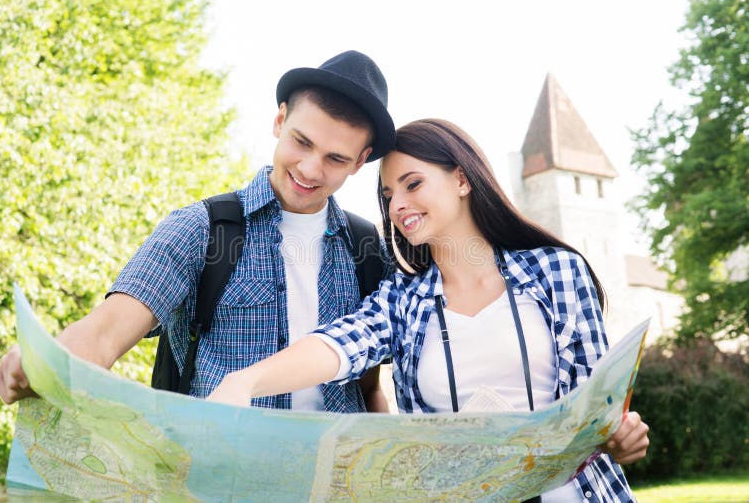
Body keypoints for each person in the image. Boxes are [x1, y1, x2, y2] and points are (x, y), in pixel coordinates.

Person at [207, 118, 650, 502]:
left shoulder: (556, 271)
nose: (398, 205)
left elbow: (601, 406)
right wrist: (246, 381)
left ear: (462, 180)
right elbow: (339, 344)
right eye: (388, 195)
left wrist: (621, 435)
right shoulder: (403, 301)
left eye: (413, 184)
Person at [0, 50, 398, 413]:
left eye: (335, 158)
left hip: (334, 473)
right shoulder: (200, 229)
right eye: (302, 142)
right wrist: (44, 362)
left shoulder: (367, 249)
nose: (310, 169)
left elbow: (368, 389)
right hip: (221, 470)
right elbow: (104, 333)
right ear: (280, 120)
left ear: (359, 161)